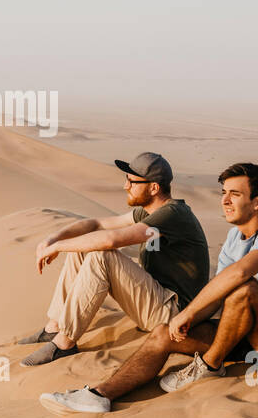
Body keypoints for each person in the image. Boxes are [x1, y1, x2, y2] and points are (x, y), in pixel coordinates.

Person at [39, 161, 258, 414]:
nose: (225, 200)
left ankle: (209, 367)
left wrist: (187, 314)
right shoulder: (233, 239)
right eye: (223, 193)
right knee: (163, 334)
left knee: (243, 287)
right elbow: (217, 292)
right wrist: (184, 321)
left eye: (234, 194)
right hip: (246, 336)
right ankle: (99, 394)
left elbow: (239, 274)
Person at [17, 152, 210, 367]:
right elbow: (96, 224)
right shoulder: (149, 212)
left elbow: (111, 240)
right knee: (82, 248)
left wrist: (58, 247)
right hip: (156, 297)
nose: (125, 186)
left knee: (101, 255)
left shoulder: (173, 214)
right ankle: (53, 328)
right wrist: (53, 239)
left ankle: (64, 344)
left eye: (131, 181)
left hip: (172, 315)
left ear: (154, 188)